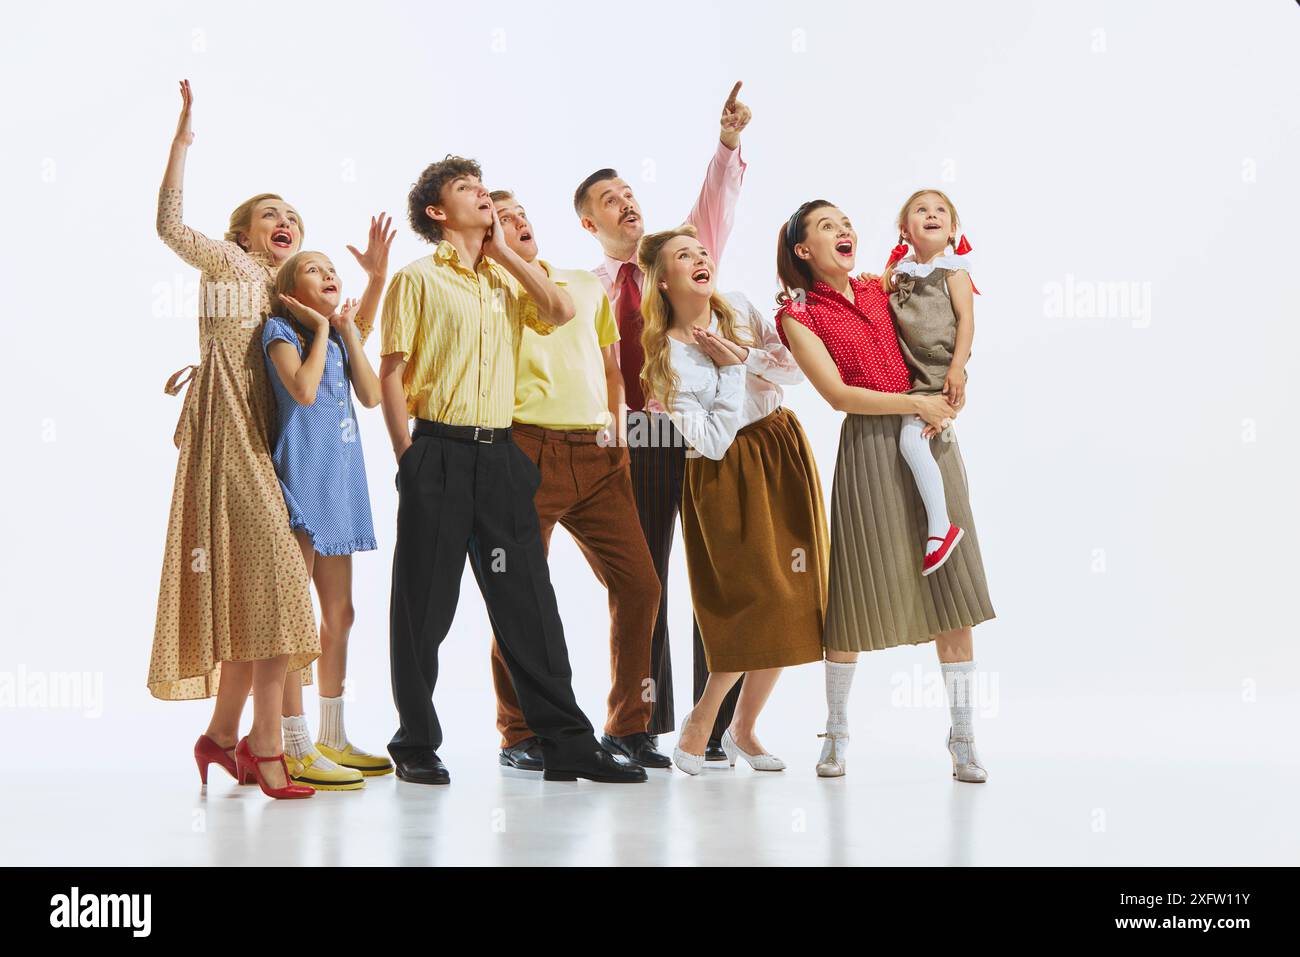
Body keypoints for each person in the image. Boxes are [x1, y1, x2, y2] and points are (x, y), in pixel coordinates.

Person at [377, 155, 646, 785]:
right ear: (439, 212)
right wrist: (407, 459)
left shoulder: (505, 279)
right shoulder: (416, 280)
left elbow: (557, 311)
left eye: (482, 188)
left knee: (530, 604)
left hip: (502, 455)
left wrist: (501, 253)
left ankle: (568, 744)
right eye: (468, 190)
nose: (483, 197)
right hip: (437, 452)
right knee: (425, 606)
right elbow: (391, 372)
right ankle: (415, 741)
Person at [774, 200, 996, 783]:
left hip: (925, 434)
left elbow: (942, 328)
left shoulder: (883, 287)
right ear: (804, 251)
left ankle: (965, 736)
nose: (845, 230)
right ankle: (837, 733)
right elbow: (840, 397)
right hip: (869, 449)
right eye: (828, 226)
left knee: (953, 588)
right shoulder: (797, 315)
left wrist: (958, 377)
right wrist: (916, 403)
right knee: (853, 588)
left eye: (845, 221)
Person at [572, 81, 751, 760]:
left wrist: (727, 142)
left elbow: (714, 209)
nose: (627, 202)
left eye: (628, 192)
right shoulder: (589, 286)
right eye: (609, 200)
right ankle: (642, 724)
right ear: (591, 223)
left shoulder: (675, 260)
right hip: (639, 443)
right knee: (643, 581)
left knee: (716, 576)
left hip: (702, 438)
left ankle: (713, 729)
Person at [150, 79, 316, 799]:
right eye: (266, 215)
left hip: (268, 440)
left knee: (262, 594)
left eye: (290, 218)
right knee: (281, 588)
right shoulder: (226, 263)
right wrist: (183, 142)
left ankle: (222, 739)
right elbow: (168, 225)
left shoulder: (288, 295)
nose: (282, 222)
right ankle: (266, 748)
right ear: (241, 234)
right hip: (228, 438)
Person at [486, 190, 669, 771]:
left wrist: (617, 433)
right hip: (523, 448)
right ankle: (517, 732)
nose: (518, 222)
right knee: (521, 597)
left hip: (598, 455)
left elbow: (613, 367)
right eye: (502, 218)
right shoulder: (486, 289)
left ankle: (628, 727)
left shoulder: (583, 284)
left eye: (521, 214)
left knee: (640, 585)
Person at [637, 226, 828, 775]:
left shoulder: (740, 307)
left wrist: (743, 352)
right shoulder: (667, 358)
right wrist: (731, 368)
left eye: (701, 251)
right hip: (724, 474)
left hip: (781, 449)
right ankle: (703, 720)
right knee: (747, 601)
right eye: (682, 256)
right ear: (664, 280)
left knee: (794, 596)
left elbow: (794, 371)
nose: (700, 258)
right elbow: (714, 439)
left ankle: (743, 730)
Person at [262, 220, 397, 789]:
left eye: (332, 271)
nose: (330, 276)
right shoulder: (279, 331)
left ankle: (332, 736)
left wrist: (365, 294)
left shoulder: (342, 334)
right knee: (295, 623)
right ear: (291, 289)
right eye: (315, 270)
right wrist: (320, 329)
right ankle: (291, 744)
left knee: (339, 615)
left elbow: (369, 395)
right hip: (300, 481)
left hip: (341, 484)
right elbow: (305, 391)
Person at [878, 189, 979, 576]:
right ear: (905, 229)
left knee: (910, 441)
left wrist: (956, 369)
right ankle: (942, 421)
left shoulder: (954, 271)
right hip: (914, 376)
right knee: (914, 436)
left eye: (941, 211)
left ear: (953, 228)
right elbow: (879, 294)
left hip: (939, 372)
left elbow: (966, 322)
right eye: (921, 210)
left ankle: (941, 527)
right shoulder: (901, 274)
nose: (931, 215)